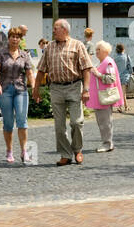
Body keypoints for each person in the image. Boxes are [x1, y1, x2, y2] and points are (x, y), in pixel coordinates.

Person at [36, 19, 94, 166]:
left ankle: (77, 149)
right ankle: (65, 154)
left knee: (76, 122)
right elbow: (41, 69)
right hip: (56, 88)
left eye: (56, 28)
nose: (53, 31)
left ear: (65, 30)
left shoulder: (78, 45)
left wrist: (86, 89)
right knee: (59, 127)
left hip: (74, 86)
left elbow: (86, 68)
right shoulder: (49, 47)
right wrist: (36, 89)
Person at [0, 27, 36, 163]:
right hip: (4, 90)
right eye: (12, 36)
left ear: (20, 39)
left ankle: (24, 151)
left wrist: (34, 86)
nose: (15, 39)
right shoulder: (1, 53)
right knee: (8, 123)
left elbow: (29, 73)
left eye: (17, 37)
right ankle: (9, 151)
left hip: (21, 90)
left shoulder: (24, 55)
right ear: (8, 38)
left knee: (22, 122)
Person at [87, 40, 125, 152]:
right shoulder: (104, 62)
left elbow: (110, 79)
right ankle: (107, 143)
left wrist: (97, 74)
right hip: (101, 98)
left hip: (104, 98)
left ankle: (107, 144)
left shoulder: (108, 62)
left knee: (105, 122)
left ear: (105, 51)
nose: (96, 52)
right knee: (103, 122)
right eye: (97, 49)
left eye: (99, 49)